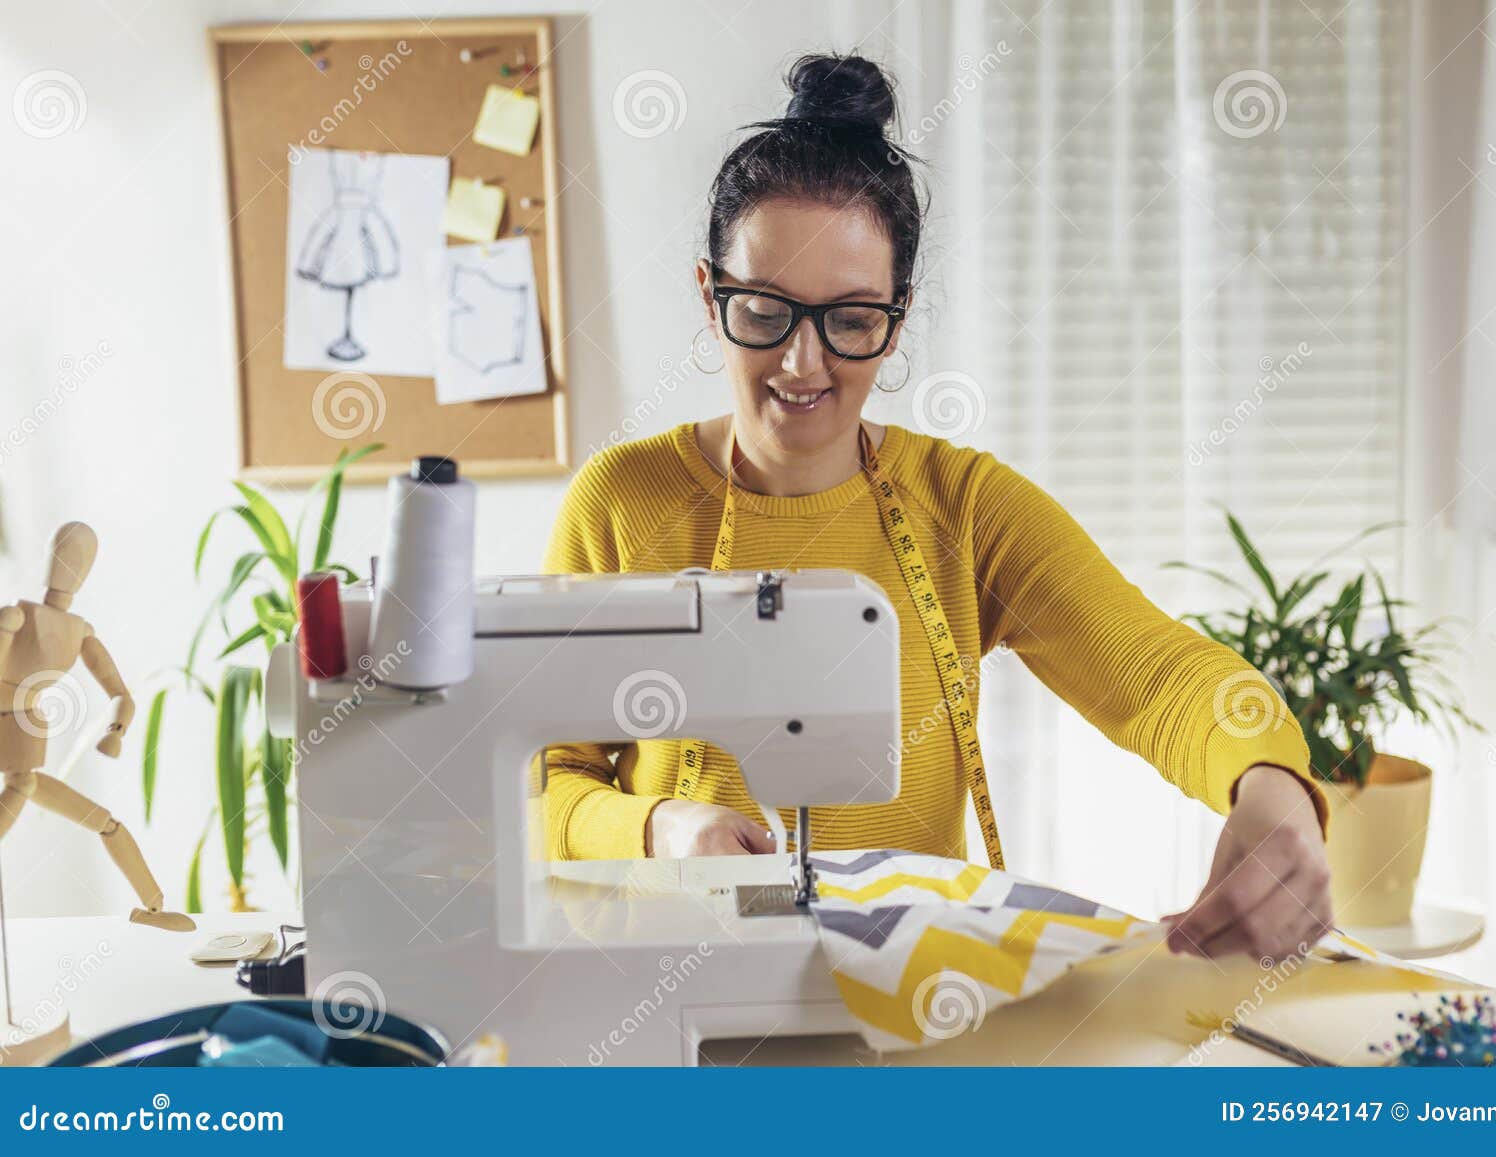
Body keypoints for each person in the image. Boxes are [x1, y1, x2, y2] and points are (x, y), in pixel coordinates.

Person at [540, 53, 1332, 963]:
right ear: (708, 293)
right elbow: (544, 786)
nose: (803, 364)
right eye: (764, 309)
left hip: (913, 1002)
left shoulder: (964, 509)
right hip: (669, 1002)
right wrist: (658, 829)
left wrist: (1270, 780)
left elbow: (1156, 675)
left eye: (851, 319)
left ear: (899, 316)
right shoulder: (619, 505)